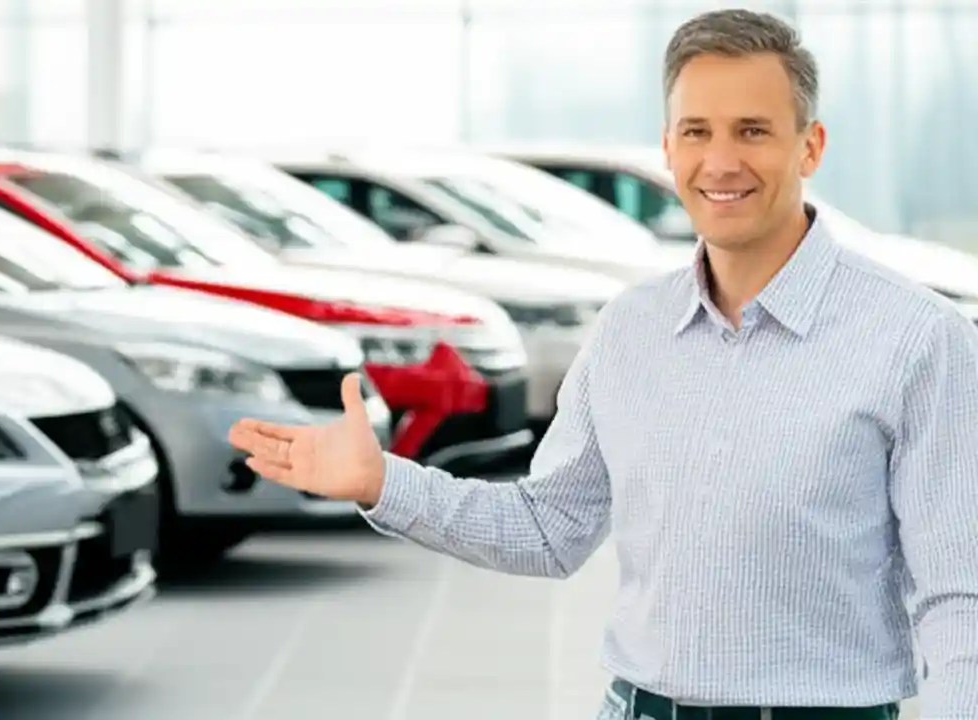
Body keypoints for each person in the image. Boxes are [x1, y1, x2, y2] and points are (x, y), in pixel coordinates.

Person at [229, 8, 978, 720]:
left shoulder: (917, 340)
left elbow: (961, 597)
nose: (721, 162)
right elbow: (550, 527)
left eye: (753, 130)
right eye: (697, 132)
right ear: (668, 148)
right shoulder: (631, 330)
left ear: (809, 146)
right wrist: (382, 481)